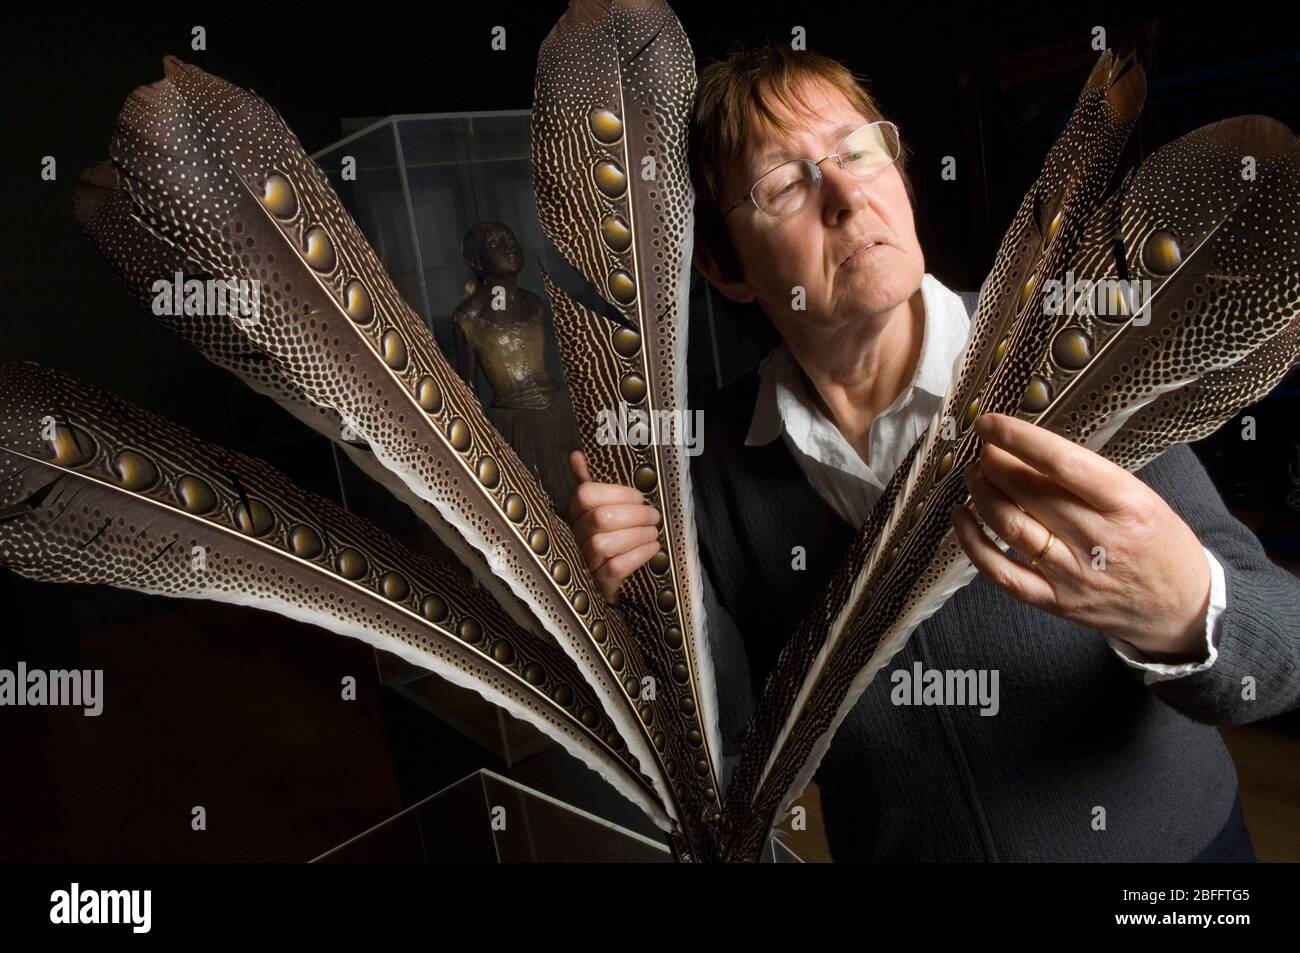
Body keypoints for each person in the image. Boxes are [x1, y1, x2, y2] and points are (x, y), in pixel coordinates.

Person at [565, 45, 1300, 861]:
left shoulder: (1075, 356)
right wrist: (659, 607)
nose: (846, 197)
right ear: (724, 267)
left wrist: (1187, 606)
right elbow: (732, 740)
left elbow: (1285, 655)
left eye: (859, 150)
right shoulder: (702, 471)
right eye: (783, 184)